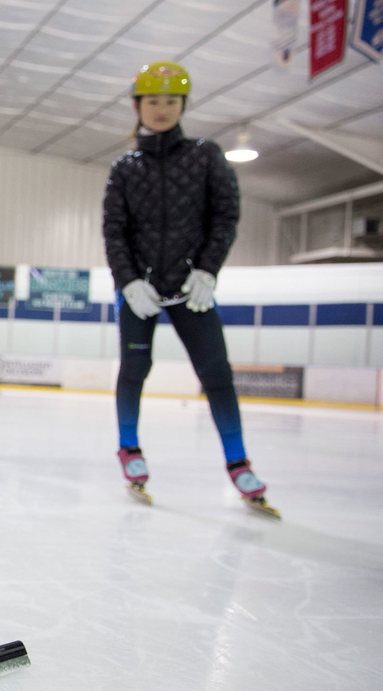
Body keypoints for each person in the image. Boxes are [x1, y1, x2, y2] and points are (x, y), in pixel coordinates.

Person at [103, 61, 276, 516]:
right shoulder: (124, 168)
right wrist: (128, 282)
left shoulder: (206, 155)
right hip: (140, 291)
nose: (161, 109)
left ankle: (238, 463)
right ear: (138, 106)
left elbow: (225, 216)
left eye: (171, 101)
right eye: (152, 101)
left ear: (183, 105)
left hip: (191, 289)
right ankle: (130, 450)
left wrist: (207, 270)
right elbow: (114, 231)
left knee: (216, 373)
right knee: (135, 369)